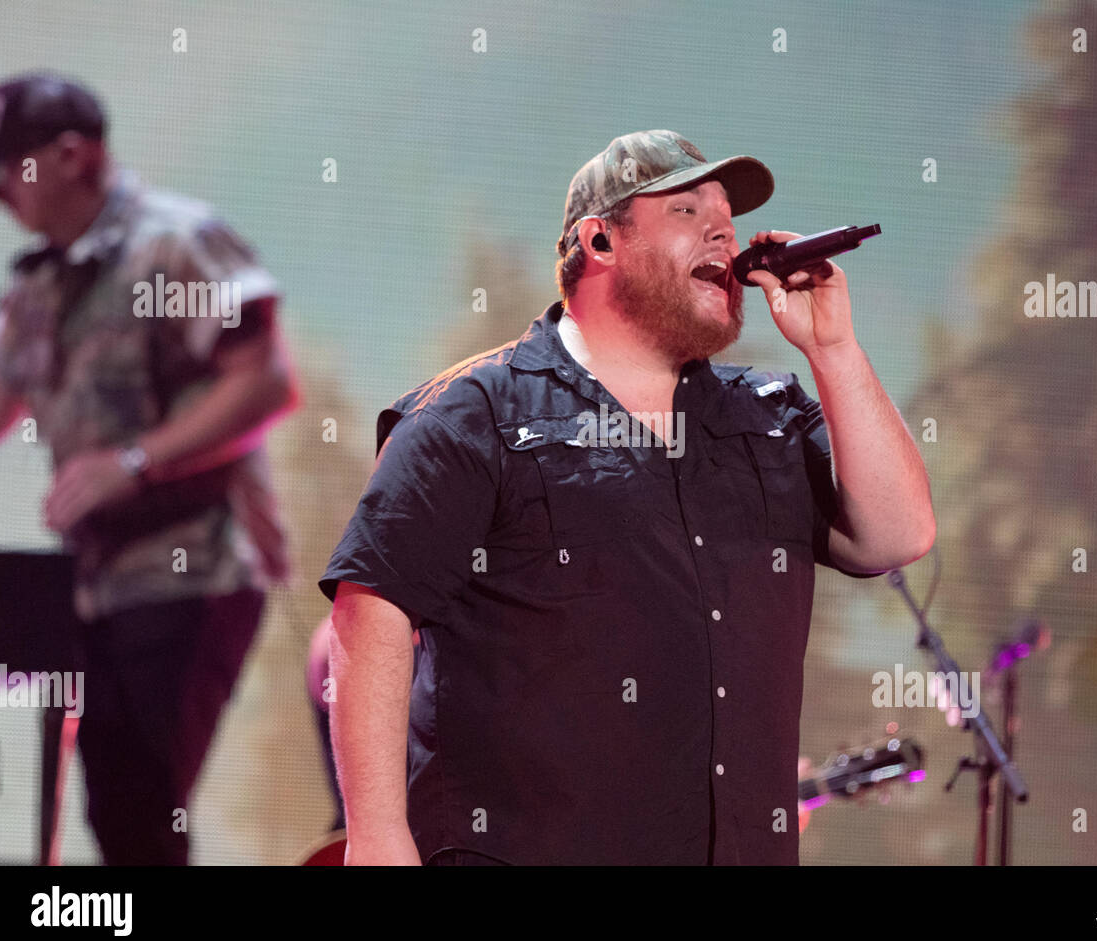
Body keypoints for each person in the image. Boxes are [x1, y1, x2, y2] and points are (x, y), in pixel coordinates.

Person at [320, 129, 935, 865]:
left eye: (727, 218)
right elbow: (372, 613)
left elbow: (897, 536)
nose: (722, 230)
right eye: (685, 210)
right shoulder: (475, 413)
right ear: (602, 242)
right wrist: (379, 840)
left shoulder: (768, 412)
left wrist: (833, 349)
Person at [0, 73, 298, 864]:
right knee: (119, 816)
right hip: (99, 584)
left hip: (200, 566)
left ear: (72, 156)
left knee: (143, 808)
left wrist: (135, 462)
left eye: (6, 167)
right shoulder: (39, 284)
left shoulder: (174, 240)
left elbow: (265, 381)